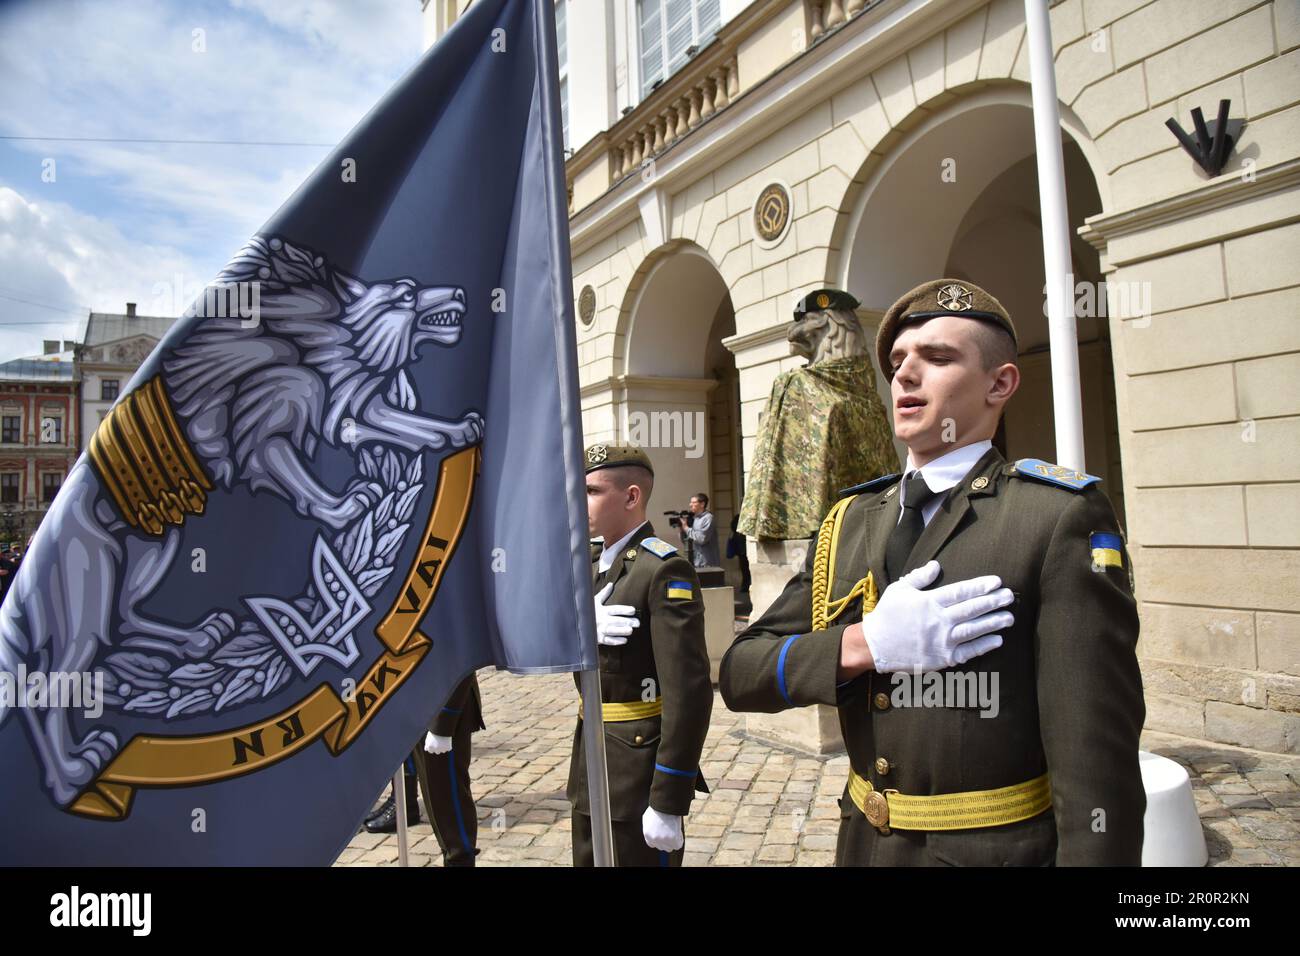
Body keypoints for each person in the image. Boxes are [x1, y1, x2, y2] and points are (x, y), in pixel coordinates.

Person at [720, 278, 1145, 866]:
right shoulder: (851, 520)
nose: (905, 376)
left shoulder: (1053, 517)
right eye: (897, 362)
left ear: (1001, 383)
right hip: (863, 848)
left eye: (938, 357)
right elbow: (742, 674)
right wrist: (861, 644)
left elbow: (1096, 757)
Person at [570, 443, 713, 866]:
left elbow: (688, 691)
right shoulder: (591, 561)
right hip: (590, 760)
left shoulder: (663, 569)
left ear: (631, 497)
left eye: (592, 491)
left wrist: (669, 797)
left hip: (637, 772)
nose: (580, 500)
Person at [412, 673, 485, 866]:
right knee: (438, 805)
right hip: (419, 702)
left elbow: (461, 654)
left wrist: (444, 720)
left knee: (451, 814)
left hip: (443, 704)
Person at [678, 493, 719, 568]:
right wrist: (682, 530)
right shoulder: (694, 519)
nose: (690, 504)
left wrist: (686, 528)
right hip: (695, 562)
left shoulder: (708, 518)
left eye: (694, 502)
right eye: (690, 502)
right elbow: (686, 542)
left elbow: (702, 539)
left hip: (707, 564)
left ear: (702, 504)